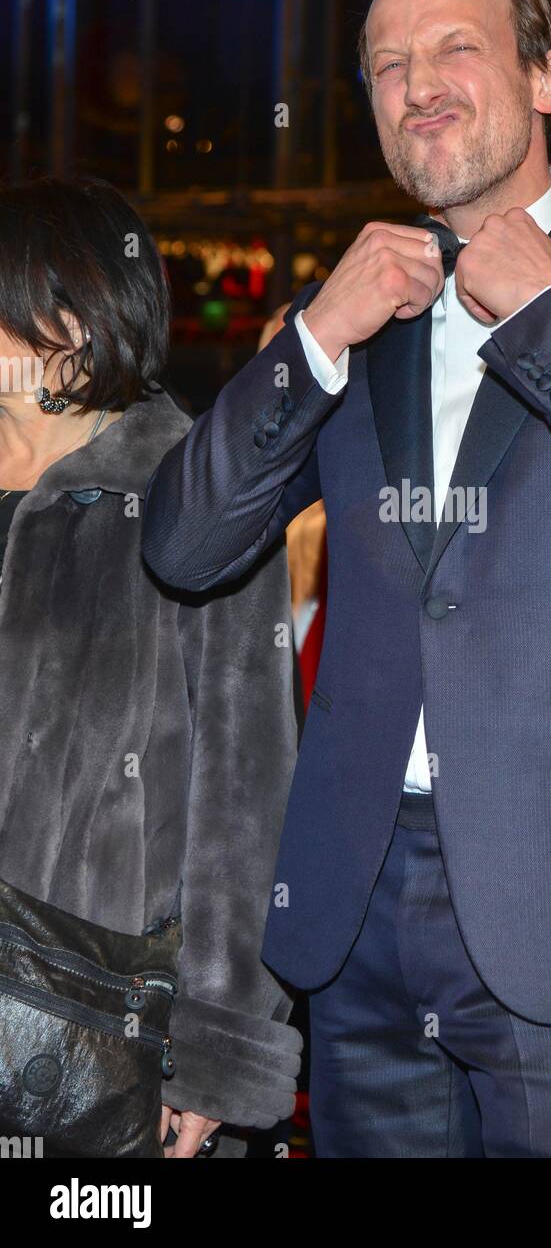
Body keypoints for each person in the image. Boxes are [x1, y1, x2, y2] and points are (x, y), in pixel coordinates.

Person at [142, 0, 551, 1158]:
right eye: (387, 64)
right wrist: (317, 334)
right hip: (353, 906)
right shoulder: (356, 304)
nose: (417, 81)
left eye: (453, 48)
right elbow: (182, 540)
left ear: (545, 80)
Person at [0, 177, 301, 1157]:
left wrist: (213, 1054)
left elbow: (244, 799)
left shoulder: (185, 491)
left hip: (94, 1033)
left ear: (70, 326)